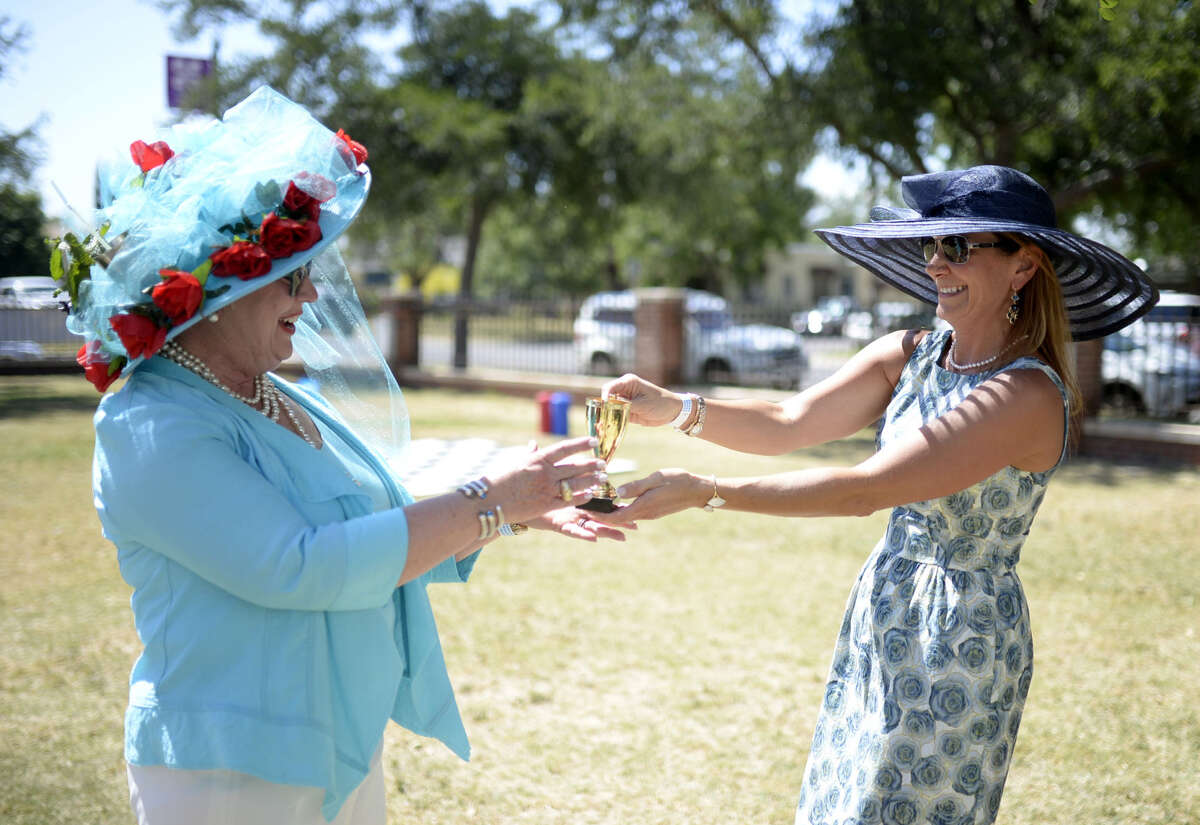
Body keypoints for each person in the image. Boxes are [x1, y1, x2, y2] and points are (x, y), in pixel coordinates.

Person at [52, 86, 620, 825]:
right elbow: (303, 563)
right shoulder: (147, 422)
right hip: (231, 767)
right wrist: (488, 502)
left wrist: (513, 509)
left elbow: (371, 518)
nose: (311, 291)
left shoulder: (275, 392)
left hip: (333, 741)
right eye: (291, 274)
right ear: (222, 289)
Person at [590, 166, 1157, 825]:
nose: (938, 263)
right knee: (842, 802)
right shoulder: (911, 351)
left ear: (1024, 267)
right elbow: (788, 423)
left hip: (959, 631)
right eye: (931, 247)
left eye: (961, 247)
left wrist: (706, 492)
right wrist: (677, 408)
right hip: (883, 607)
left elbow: (870, 488)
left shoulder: (1025, 393)